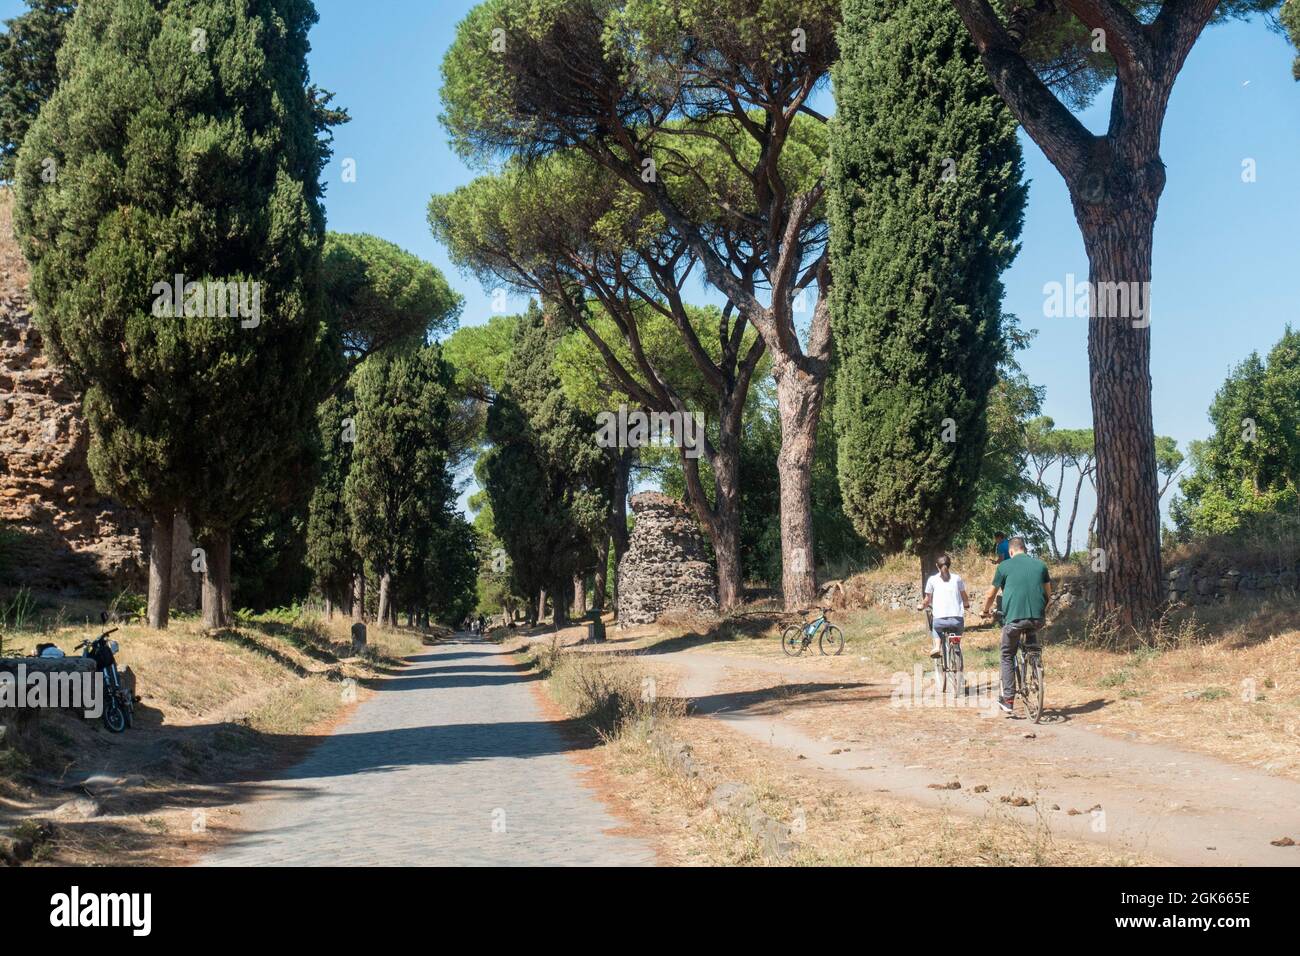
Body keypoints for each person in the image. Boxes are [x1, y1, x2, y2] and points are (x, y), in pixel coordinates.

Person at [981, 536, 1051, 716]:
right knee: (1031, 636)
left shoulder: (1004, 566)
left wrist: (985, 611)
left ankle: (1008, 699)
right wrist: (1040, 611)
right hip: (1037, 618)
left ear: (1011, 551)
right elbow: (1048, 594)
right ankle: (1035, 667)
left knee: (1006, 654)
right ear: (1024, 549)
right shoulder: (1041, 565)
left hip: (1014, 620)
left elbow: (990, 595)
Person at [920, 554, 966, 658]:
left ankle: (937, 647)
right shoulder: (957, 578)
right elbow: (964, 595)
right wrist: (966, 604)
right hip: (957, 620)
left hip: (940, 620)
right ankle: (956, 644)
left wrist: (922, 605)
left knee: (936, 629)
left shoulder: (932, 580)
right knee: (958, 630)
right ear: (950, 565)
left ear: (937, 566)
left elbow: (927, 600)